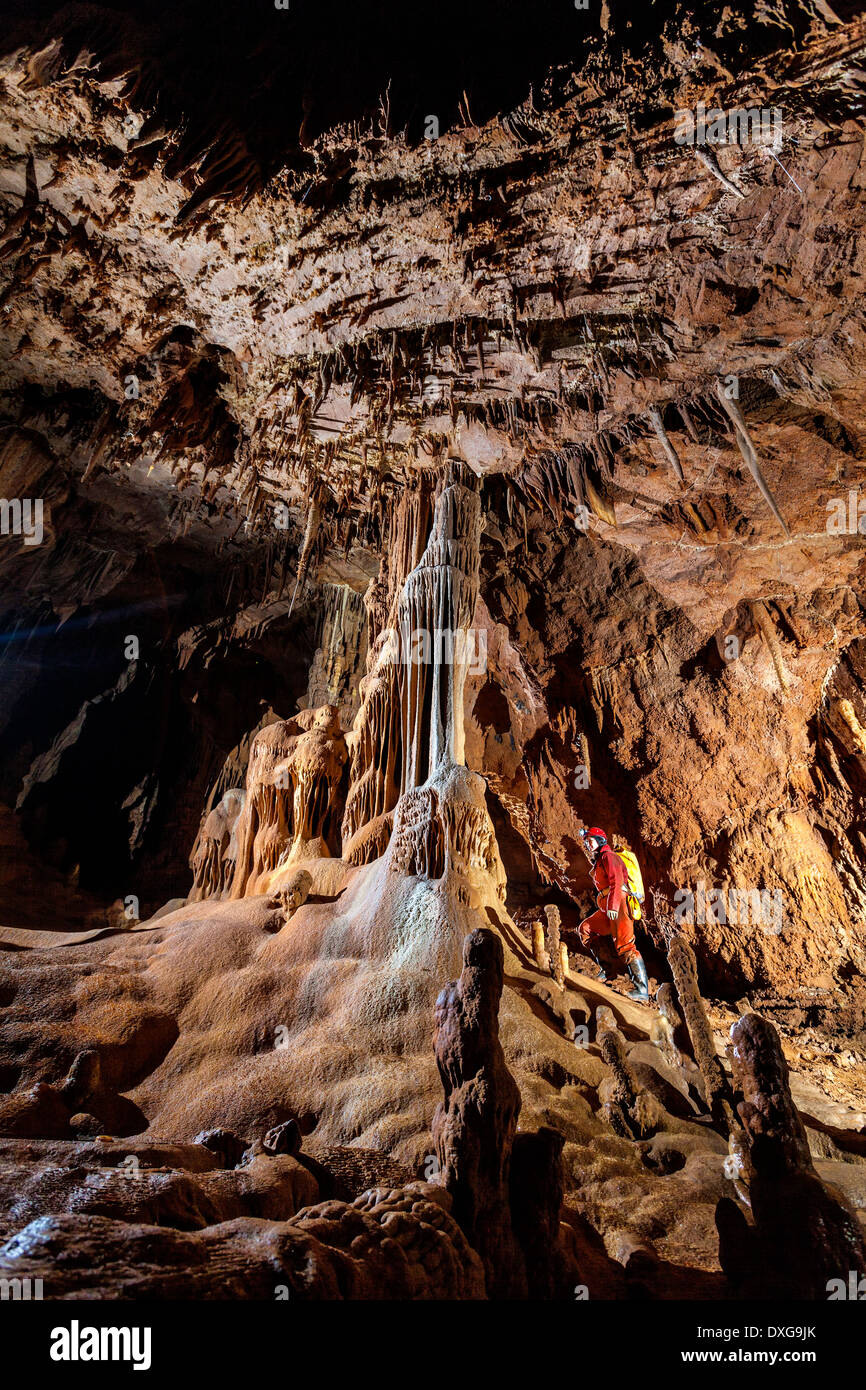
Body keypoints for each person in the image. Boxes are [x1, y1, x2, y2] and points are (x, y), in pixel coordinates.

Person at [577, 826, 650, 1002]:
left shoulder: (610, 857)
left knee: (625, 945)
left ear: (601, 840)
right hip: (608, 907)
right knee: (586, 928)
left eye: (591, 840)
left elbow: (616, 882)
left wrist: (613, 905)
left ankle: (642, 990)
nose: (588, 844)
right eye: (586, 841)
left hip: (619, 904)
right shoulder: (600, 859)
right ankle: (607, 970)